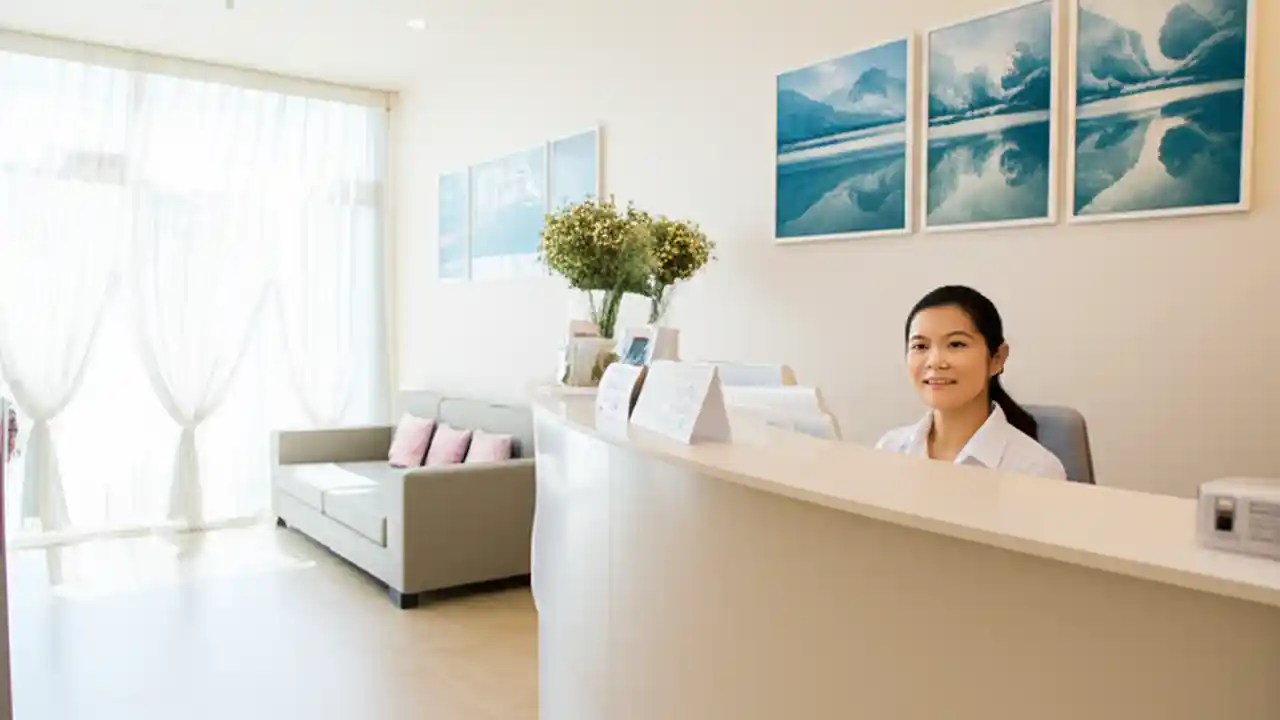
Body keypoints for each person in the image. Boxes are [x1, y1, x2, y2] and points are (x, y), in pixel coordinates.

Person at [876, 285, 1066, 481]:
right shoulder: (889, 449)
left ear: (997, 359)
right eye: (920, 346)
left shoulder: (1036, 470)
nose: (935, 361)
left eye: (956, 344)